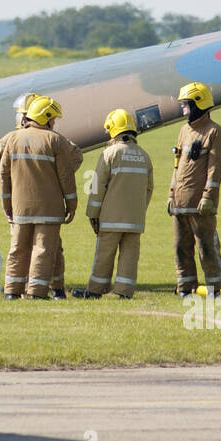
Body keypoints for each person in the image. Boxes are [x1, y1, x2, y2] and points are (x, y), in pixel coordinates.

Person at [0, 93, 80, 299]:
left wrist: (7, 204)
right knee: (44, 250)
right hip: (49, 209)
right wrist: (71, 204)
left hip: (20, 208)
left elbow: (3, 177)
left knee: (17, 249)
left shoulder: (13, 139)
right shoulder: (56, 140)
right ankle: (37, 293)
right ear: (46, 116)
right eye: (53, 119)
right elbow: (67, 176)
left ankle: (11, 292)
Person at [74, 109, 153, 299]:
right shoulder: (144, 156)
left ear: (112, 129)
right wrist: (139, 210)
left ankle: (95, 290)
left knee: (104, 256)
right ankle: (124, 292)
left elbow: (97, 186)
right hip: (135, 220)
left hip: (110, 219)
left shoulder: (109, 153)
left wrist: (93, 213)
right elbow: (149, 189)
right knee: (130, 257)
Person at [168, 81, 221, 296]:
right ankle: (185, 287)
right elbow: (177, 165)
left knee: (207, 247)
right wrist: (171, 194)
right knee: (180, 248)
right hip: (180, 202)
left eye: (186, 104)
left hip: (200, 204)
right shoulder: (184, 130)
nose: (182, 108)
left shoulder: (214, 131)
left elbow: (215, 167)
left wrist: (208, 196)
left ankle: (214, 288)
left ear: (198, 104)